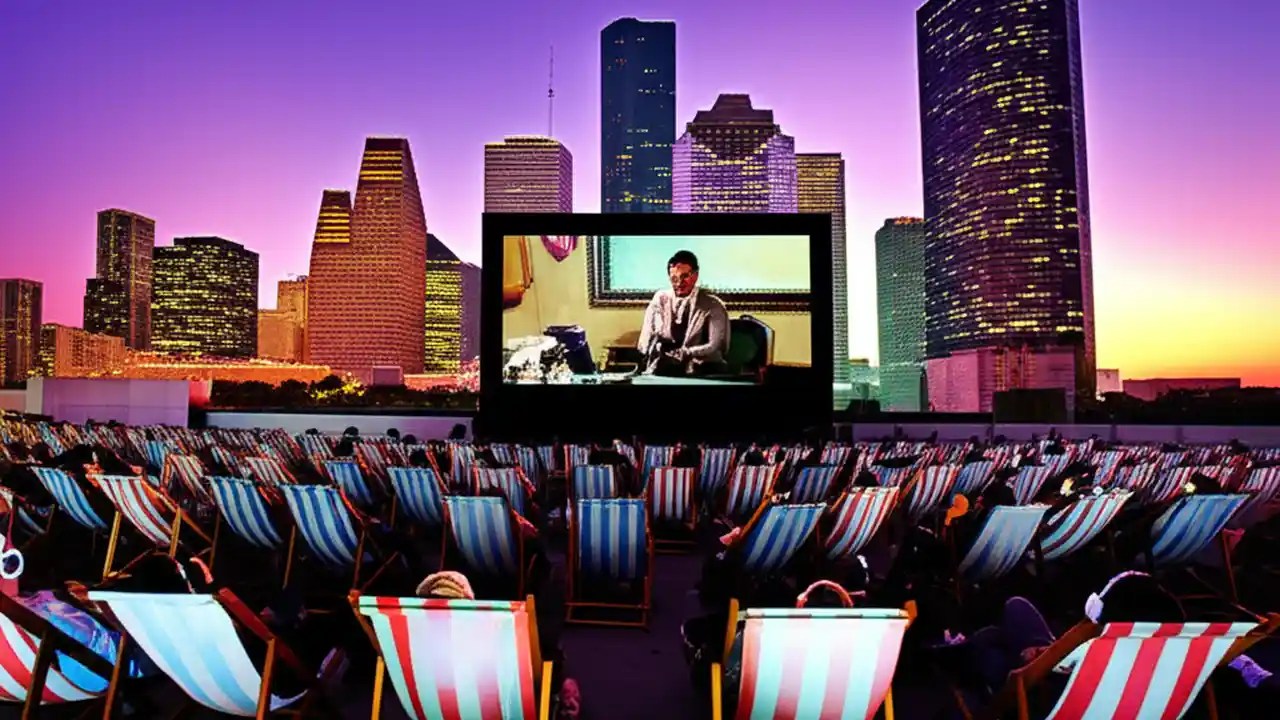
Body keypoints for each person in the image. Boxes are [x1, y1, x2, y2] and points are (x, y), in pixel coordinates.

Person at [637, 250, 730, 377]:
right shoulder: (660, 299)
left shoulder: (713, 304)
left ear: (696, 276)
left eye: (685, 276)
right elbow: (647, 336)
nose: (679, 283)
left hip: (704, 369)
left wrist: (686, 353)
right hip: (666, 368)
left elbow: (714, 345)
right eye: (674, 278)